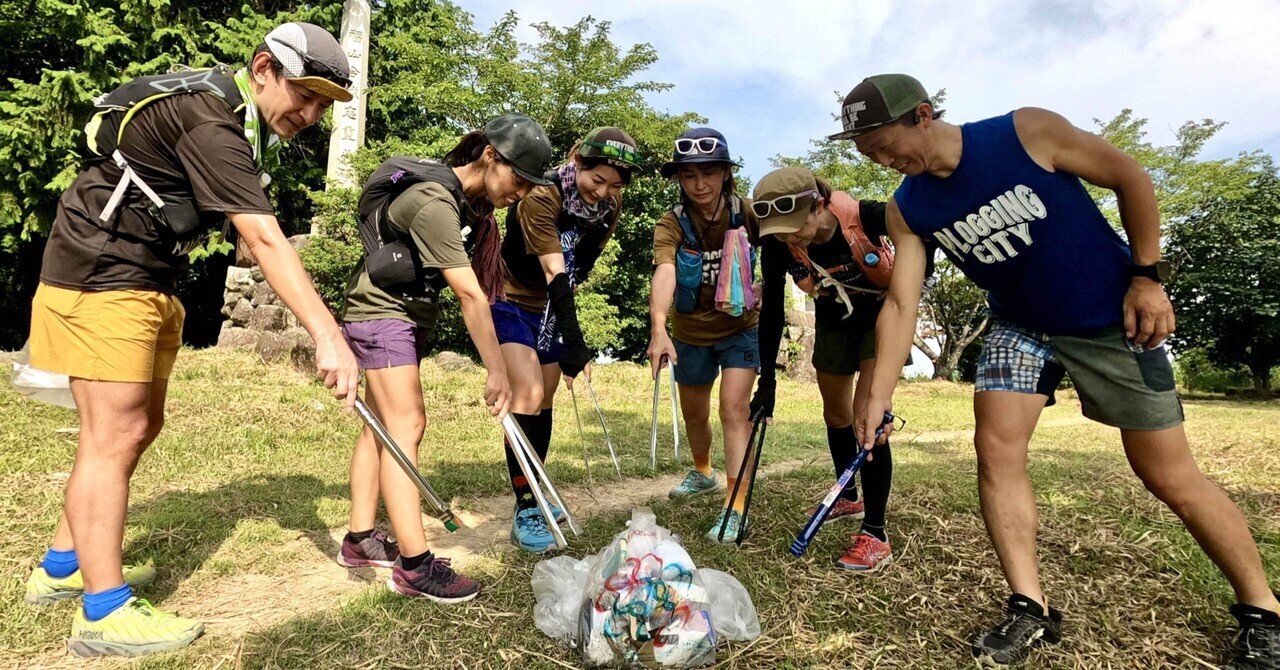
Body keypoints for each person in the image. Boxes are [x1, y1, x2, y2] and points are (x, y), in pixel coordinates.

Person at [836, 73, 1280, 667]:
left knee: (1167, 474)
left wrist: (1148, 278)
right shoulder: (907, 208)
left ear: (923, 114)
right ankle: (1029, 607)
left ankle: (1263, 610)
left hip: (1112, 319)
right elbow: (901, 302)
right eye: (870, 155)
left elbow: (1131, 176)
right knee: (995, 450)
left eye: (887, 145)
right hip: (1021, 327)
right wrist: (877, 395)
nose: (885, 160)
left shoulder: (1026, 132)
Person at [21, 22, 359, 656]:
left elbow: (234, 223)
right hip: (101, 273)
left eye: (324, 105)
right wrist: (327, 334)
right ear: (264, 69)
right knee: (112, 433)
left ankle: (63, 568)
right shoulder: (212, 121)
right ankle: (102, 612)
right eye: (305, 94)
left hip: (146, 275)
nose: (311, 114)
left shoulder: (237, 120)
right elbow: (261, 236)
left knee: (139, 425)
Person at [336, 115, 552, 599]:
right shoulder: (435, 202)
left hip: (395, 316)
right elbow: (471, 296)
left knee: (383, 428)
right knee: (407, 425)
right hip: (382, 314)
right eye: (519, 178)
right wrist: (497, 369)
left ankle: (359, 539)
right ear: (491, 156)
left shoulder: (467, 206)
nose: (519, 192)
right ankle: (415, 566)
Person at [751, 166, 931, 572]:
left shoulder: (869, 216)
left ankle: (875, 532)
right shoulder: (778, 244)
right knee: (835, 413)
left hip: (881, 314)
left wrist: (921, 276)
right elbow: (774, 310)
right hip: (833, 316)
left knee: (866, 418)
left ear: (818, 205)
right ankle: (847, 496)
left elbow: (925, 230)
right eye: (778, 231)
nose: (787, 238)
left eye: (795, 226)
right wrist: (767, 378)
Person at [490, 127, 643, 552]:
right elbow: (555, 270)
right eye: (598, 180)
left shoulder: (609, 204)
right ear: (576, 160)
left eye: (615, 185)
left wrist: (566, 328)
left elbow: (579, 268)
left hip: (553, 302)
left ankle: (537, 489)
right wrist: (577, 340)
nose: (604, 192)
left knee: (547, 395)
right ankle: (525, 507)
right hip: (510, 297)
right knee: (528, 392)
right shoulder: (542, 196)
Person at [647, 127, 762, 544]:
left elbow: (781, 247)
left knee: (734, 409)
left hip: (740, 329)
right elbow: (665, 272)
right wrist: (659, 327)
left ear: (725, 175)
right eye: (689, 175)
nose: (700, 184)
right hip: (690, 333)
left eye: (709, 173)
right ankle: (702, 471)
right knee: (695, 413)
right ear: (679, 178)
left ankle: (735, 504)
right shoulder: (671, 224)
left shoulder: (747, 213)